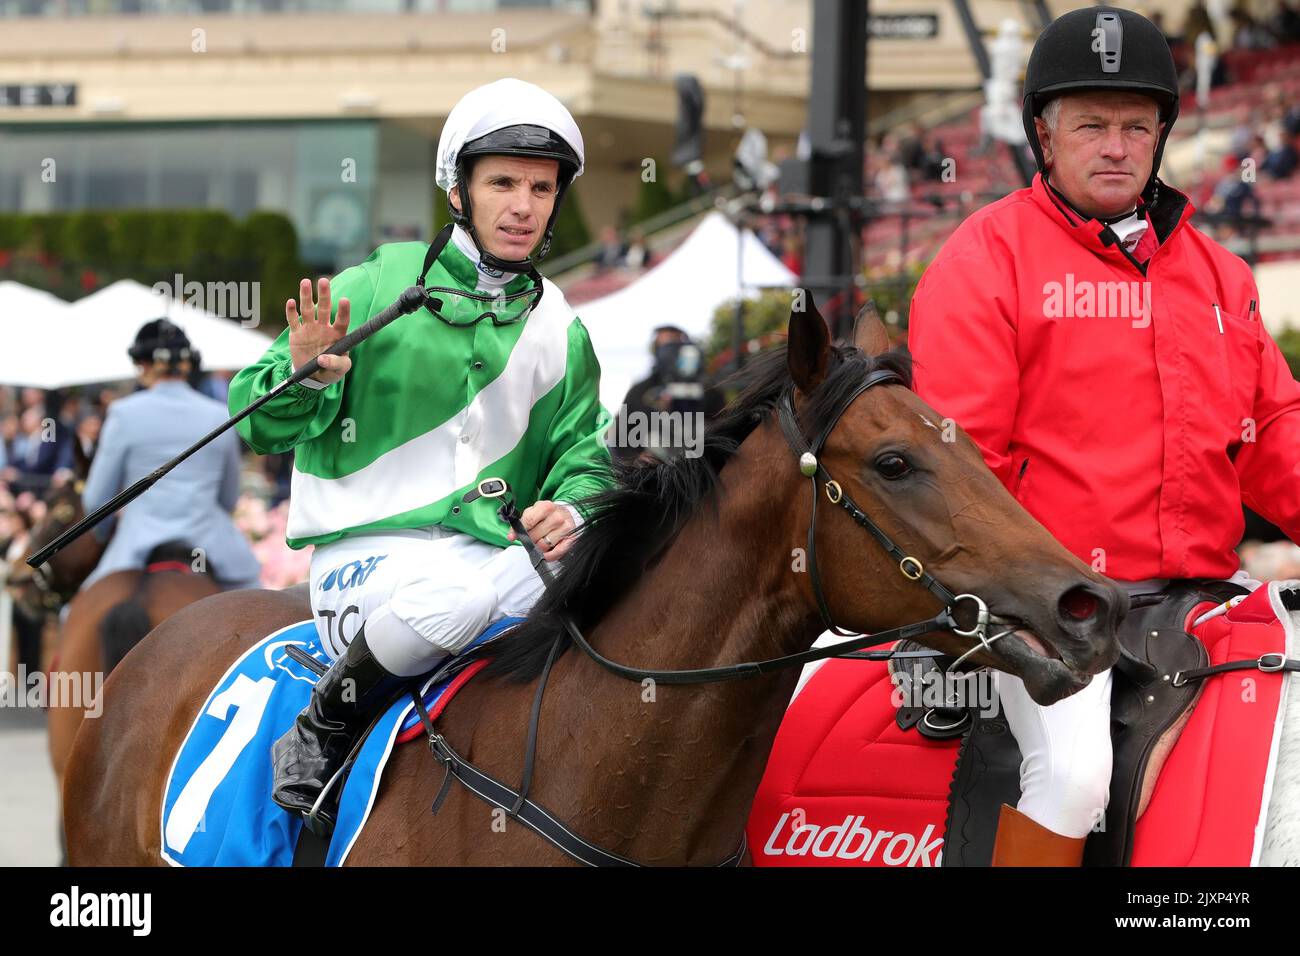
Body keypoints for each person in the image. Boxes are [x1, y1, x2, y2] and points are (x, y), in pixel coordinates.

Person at [907, 6, 1300, 865]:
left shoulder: (1220, 274)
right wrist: (1031, 597)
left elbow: (1274, 429)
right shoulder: (984, 260)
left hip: (1200, 594)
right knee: (1078, 775)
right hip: (1051, 600)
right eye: (1090, 125)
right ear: (1045, 136)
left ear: (1162, 135)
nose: (1116, 146)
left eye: (1135, 126)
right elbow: (966, 468)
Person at [228, 78, 615, 833]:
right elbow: (258, 423)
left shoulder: (562, 328)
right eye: (502, 182)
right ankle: (321, 727)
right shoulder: (377, 283)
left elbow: (587, 455)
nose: (523, 205)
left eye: (540, 188)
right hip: (367, 564)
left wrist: (568, 508)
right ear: (458, 190)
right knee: (457, 599)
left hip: (496, 565)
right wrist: (302, 378)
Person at [81, 319, 261, 592]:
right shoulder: (218, 414)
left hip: (135, 548)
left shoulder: (123, 413)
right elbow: (228, 498)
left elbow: (96, 500)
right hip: (209, 545)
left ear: (142, 365)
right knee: (261, 615)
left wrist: (105, 534)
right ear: (188, 364)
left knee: (73, 617)